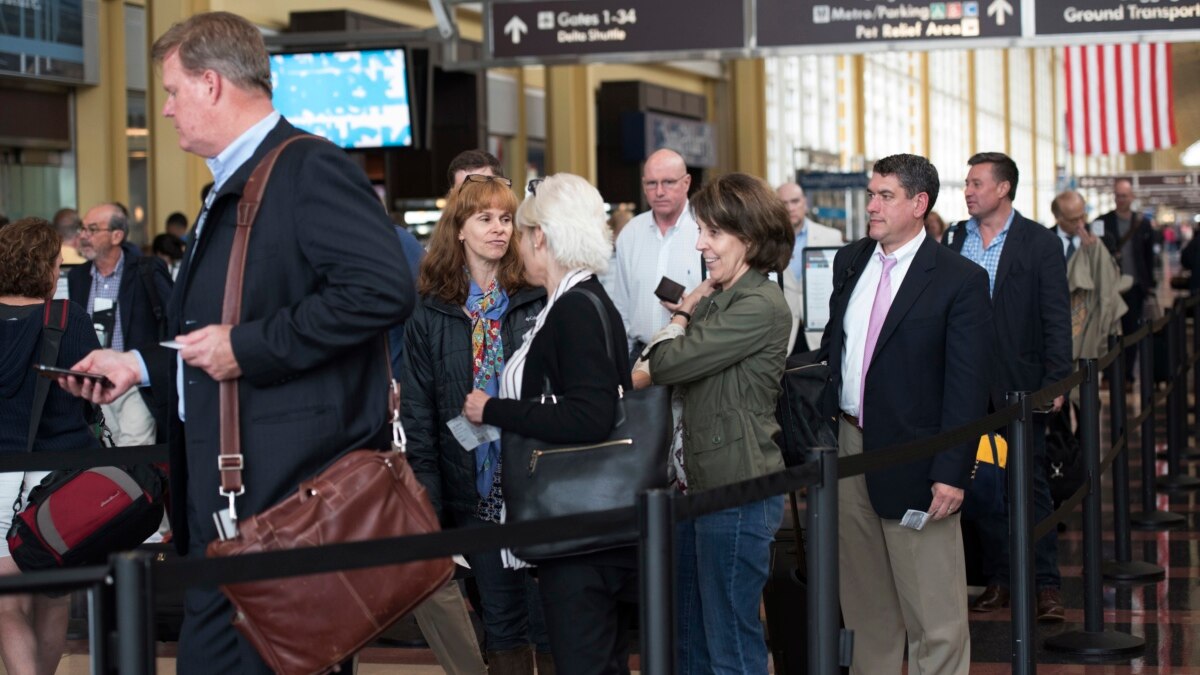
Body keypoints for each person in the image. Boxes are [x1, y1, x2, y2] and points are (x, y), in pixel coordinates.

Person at [58, 13, 412, 673]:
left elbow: (384, 290)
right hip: (229, 512)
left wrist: (248, 347)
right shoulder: (234, 180)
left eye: (171, 91)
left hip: (284, 510)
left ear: (212, 84)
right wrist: (138, 365)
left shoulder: (306, 168)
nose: (164, 110)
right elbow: (221, 328)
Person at [819, 154, 992, 675]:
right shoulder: (850, 260)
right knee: (865, 601)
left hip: (919, 459)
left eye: (885, 196)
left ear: (919, 205)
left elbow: (966, 386)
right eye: (871, 194)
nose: (871, 205)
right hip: (849, 446)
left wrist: (950, 471)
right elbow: (837, 349)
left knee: (933, 613)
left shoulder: (957, 279)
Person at [463, 174, 635, 675]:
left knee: (585, 662)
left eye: (520, 232)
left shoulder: (575, 308)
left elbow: (589, 414)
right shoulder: (578, 301)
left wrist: (492, 410)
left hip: (581, 526)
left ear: (541, 236)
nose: (516, 243)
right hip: (590, 518)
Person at [636, 173, 792, 673]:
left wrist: (681, 316)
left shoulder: (758, 305)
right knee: (690, 638)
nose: (701, 244)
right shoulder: (722, 297)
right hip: (696, 485)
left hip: (737, 488)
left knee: (729, 641)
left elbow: (660, 366)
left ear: (749, 236)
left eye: (712, 233)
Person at [404, 174, 551, 674]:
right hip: (470, 488)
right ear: (459, 229)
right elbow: (418, 414)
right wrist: (430, 499)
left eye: (506, 219)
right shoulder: (431, 308)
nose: (498, 229)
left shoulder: (533, 297)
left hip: (534, 481)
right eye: (484, 218)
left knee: (550, 620)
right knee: (502, 618)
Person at [944, 152, 1071, 622]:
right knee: (985, 484)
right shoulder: (957, 237)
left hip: (1021, 387)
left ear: (1003, 189)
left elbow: (1055, 316)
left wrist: (1057, 380)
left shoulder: (1038, 242)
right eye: (967, 183)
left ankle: (1045, 585)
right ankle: (999, 578)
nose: (968, 191)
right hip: (967, 385)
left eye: (977, 183)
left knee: (1029, 486)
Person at [0, 218, 101, 675]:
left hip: (1, 473)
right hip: (60, 473)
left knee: (7, 602)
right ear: (48, 266)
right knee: (55, 595)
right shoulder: (70, 318)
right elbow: (91, 397)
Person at [69, 202, 174, 446]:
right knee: (106, 451)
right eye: (82, 229)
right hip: (94, 382)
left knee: (136, 455)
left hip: (135, 380)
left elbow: (173, 317)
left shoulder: (145, 270)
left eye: (92, 229)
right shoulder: (78, 277)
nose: (84, 236)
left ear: (117, 235)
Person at [606, 148, 702, 358]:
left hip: (692, 352)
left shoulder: (704, 229)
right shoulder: (631, 233)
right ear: (643, 185)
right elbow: (621, 306)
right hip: (640, 355)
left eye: (668, 182)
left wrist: (691, 311)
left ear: (686, 183)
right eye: (651, 183)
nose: (659, 191)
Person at [1052, 190, 1128, 360]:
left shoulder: (1103, 239)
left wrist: (1093, 256)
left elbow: (1111, 277)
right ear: (1058, 217)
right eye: (1073, 220)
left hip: (1088, 318)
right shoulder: (1044, 240)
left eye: (1083, 216)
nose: (1080, 224)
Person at [1095, 178, 1156, 376]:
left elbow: (1149, 257)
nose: (1121, 199)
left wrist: (1149, 285)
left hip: (1135, 286)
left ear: (1132, 197)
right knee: (1108, 333)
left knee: (1131, 332)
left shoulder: (1143, 224)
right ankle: (1110, 373)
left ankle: (1128, 374)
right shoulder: (1101, 222)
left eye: (1124, 196)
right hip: (1109, 287)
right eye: (1118, 196)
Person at [777, 180, 844, 353]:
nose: (790, 208)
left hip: (819, 334)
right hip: (782, 335)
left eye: (795, 201)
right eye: (783, 203)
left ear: (805, 203)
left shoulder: (831, 237)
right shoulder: (766, 242)